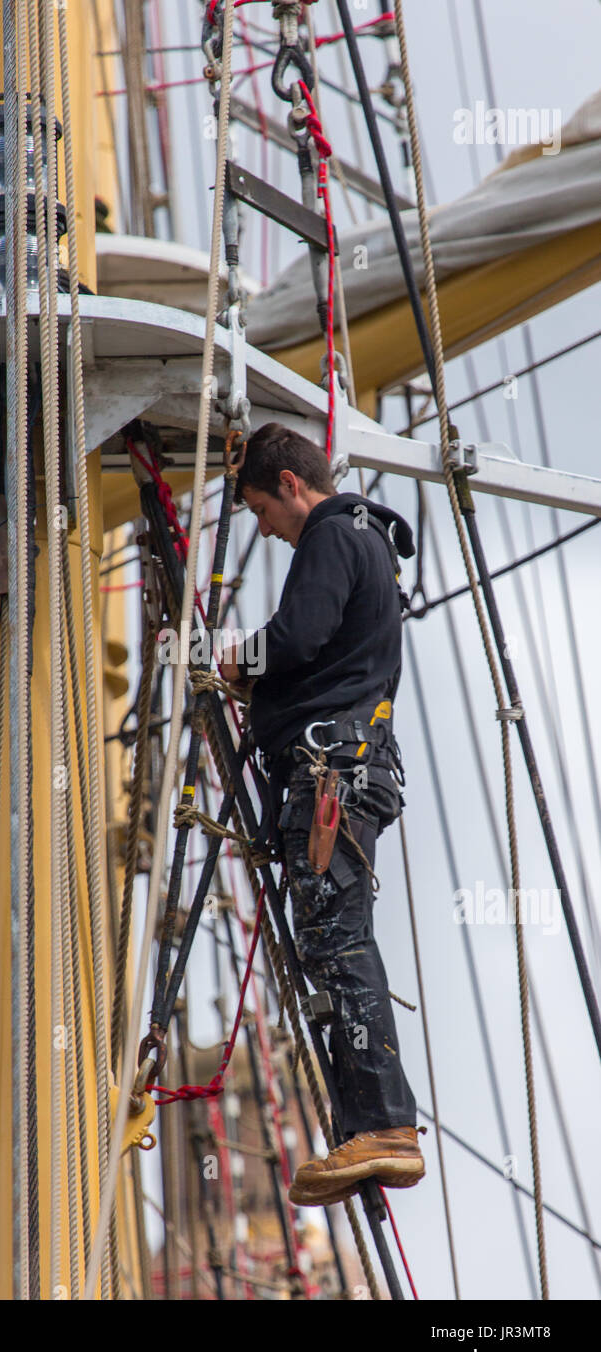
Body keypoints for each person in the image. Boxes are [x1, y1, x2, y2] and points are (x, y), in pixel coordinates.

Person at [218, 422, 425, 1205]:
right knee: (330, 940)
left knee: (338, 940)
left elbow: (300, 636)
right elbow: (329, 651)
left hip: (331, 776)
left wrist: (234, 659)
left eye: (262, 511)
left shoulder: (334, 535)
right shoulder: (367, 540)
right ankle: (365, 1125)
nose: (265, 529)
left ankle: (385, 1125)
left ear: (289, 485)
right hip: (344, 767)